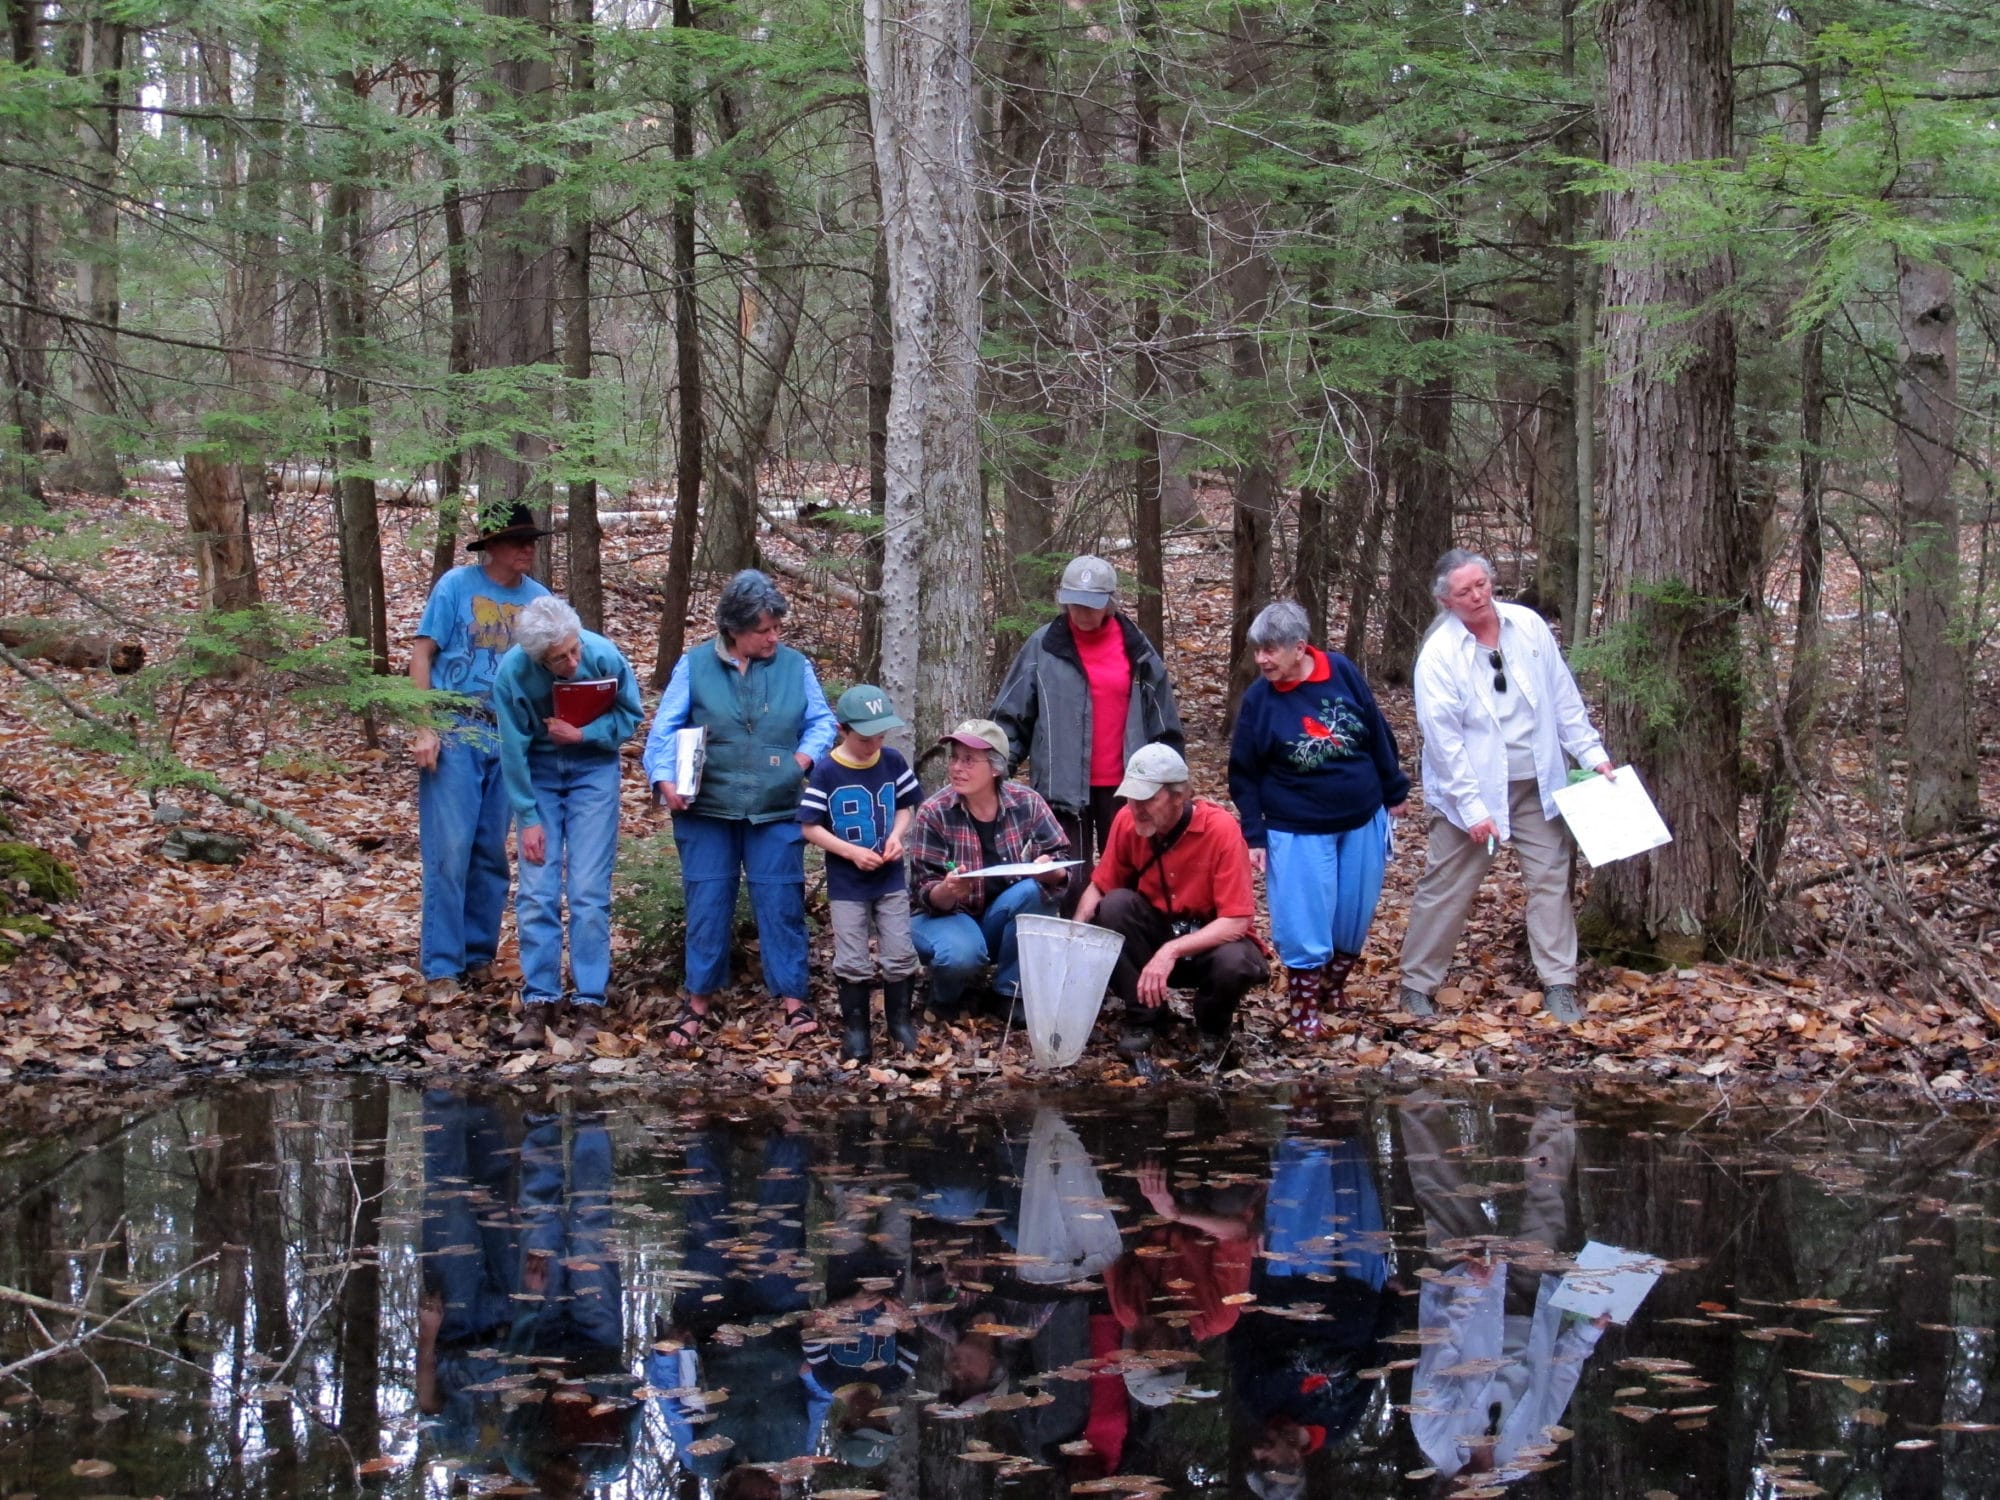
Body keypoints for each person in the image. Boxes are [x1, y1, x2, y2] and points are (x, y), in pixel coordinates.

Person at [1399, 549, 1614, 1023]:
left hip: (1538, 780)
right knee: (1447, 886)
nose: (1477, 596)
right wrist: (1474, 810)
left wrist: (1592, 754)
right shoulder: (1439, 655)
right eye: (1464, 591)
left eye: (1481, 584)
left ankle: (1559, 983)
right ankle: (1416, 985)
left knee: (1550, 881)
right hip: (1469, 792)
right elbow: (1443, 740)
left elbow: (1563, 697)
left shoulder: (1527, 626)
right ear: (1445, 600)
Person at [642, 570, 838, 1049]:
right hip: (706, 808)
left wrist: (800, 761)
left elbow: (822, 722)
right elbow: (664, 730)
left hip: (776, 806)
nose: (773, 637)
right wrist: (664, 780)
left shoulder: (796, 666)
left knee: (781, 901)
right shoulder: (694, 665)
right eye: (763, 630)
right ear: (734, 629)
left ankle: (794, 1000)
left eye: (776, 628)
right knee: (707, 903)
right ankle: (698, 1001)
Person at [1228, 600, 1408, 1038]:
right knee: (1304, 918)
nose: (1261, 660)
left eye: (1270, 650)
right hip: (1297, 824)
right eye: (1258, 650)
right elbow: (1244, 771)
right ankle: (1303, 1006)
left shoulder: (1341, 671)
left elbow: (1376, 730)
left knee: (1353, 913)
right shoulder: (1259, 700)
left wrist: (1394, 788)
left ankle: (1333, 988)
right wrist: (1254, 832)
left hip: (1361, 816)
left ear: (1300, 648)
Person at [408, 504, 551, 1006]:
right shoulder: (455, 586)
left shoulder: (539, 601)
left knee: (490, 850)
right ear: (491, 547)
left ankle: (477, 956)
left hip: (509, 736)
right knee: (450, 849)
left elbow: (549, 669)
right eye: (517, 540)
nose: (527, 548)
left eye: (531, 539)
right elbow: (422, 654)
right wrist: (424, 725)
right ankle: (441, 966)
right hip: (455, 730)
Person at [991, 554, 1184, 914]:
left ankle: (1125, 956)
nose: (1081, 613)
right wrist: (997, 769)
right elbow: (1010, 715)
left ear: (1110, 602)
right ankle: (1070, 957)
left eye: (1090, 605)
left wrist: (1171, 781)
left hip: (1129, 787)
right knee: (1067, 879)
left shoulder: (1135, 649)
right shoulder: (1043, 646)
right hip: (1061, 788)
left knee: (1130, 876)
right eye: (1074, 604)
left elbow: (1162, 719)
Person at [492, 596, 643, 1049]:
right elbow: (512, 750)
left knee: (587, 892)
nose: (573, 661)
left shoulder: (603, 654)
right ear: (539, 657)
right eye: (560, 658)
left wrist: (585, 734)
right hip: (537, 773)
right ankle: (540, 1000)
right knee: (537, 891)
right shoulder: (513, 674)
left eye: (574, 650)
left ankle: (590, 1001)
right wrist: (528, 817)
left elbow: (630, 716)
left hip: (592, 771)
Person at [1076, 744, 1269, 1060]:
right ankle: (1145, 1018)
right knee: (1114, 906)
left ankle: (1212, 1027)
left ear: (1179, 796)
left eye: (1148, 799)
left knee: (1235, 962)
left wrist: (1172, 951)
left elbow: (1236, 921)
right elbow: (1100, 887)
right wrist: (1075, 935)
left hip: (1208, 945)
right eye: (1131, 798)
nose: (1137, 808)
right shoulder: (1127, 821)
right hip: (1154, 936)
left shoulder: (1220, 830)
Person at [906, 719, 1071, 1017]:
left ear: (995, 767)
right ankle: (944, 999)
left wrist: (1050, 870)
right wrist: (949, 889)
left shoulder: (1027, 803)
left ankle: (1009, 992)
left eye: (968, 760)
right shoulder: (934, 812)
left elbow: (1061, 862)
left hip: (997, 915)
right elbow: (923, 895)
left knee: (1034, 891)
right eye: (954, 758)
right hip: (944, 916)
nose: (957, 767)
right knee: (962, 953)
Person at [799, 684, 925, 1062]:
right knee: (852, 957)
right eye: (866, 736)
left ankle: (900, 1022)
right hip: (847, 883)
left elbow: (907, 806)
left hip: (889, 878)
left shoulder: (892, 761)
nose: (874, 743)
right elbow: (810, 826)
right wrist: (849, 851)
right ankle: (857, 1030)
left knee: (900, 951)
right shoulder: (826, 770)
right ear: (843, 730)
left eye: (880, 735)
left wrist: (897, 836)